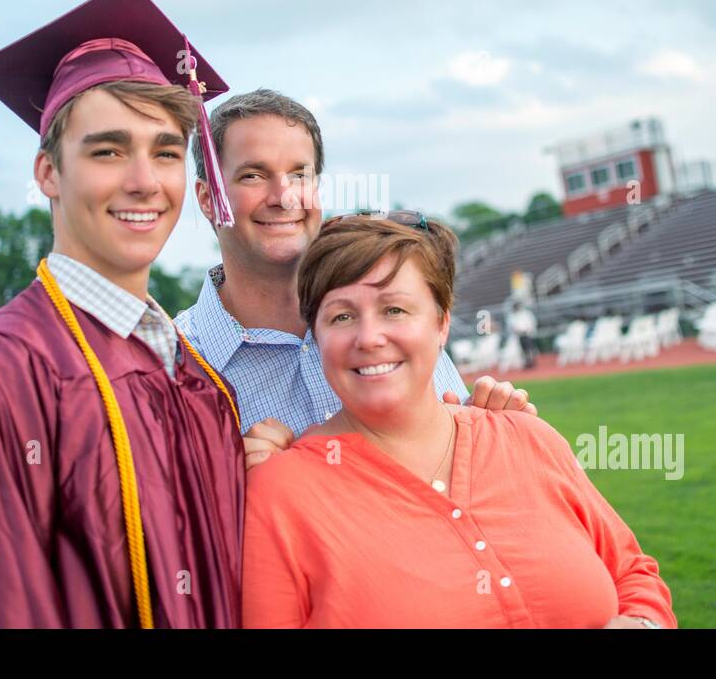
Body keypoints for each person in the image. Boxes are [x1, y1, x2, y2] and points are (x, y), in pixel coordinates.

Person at [0, 0, 245, 628]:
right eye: (108, 149)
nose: (144, 180)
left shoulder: (200, 385)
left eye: (165, 152)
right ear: (48, 172)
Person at [242, 214, 676, 628]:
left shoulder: (528, 437)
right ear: (316, 339)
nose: (369, 337)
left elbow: (632, 571)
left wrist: (643, 622)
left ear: (442, 323)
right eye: (342, 316)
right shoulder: (281, 492)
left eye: (395, 310)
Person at [174, 90, 534, 468]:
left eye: (299, 174)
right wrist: (235, 491)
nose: (284, 197)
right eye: (253, 175)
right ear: (207, 198)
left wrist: (489, 426)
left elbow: (460, 472)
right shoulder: (174, 367)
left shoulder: (388, 314)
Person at [508, 301, 539, 369]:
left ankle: (532, 361)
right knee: (523, 349)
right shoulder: (512, 316)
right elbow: (511, 326)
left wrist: (529, 330)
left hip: (527, 334)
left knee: (529, 348)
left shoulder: (526, 313)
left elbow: (531, 322)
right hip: (519, 335)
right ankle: (527, 361)